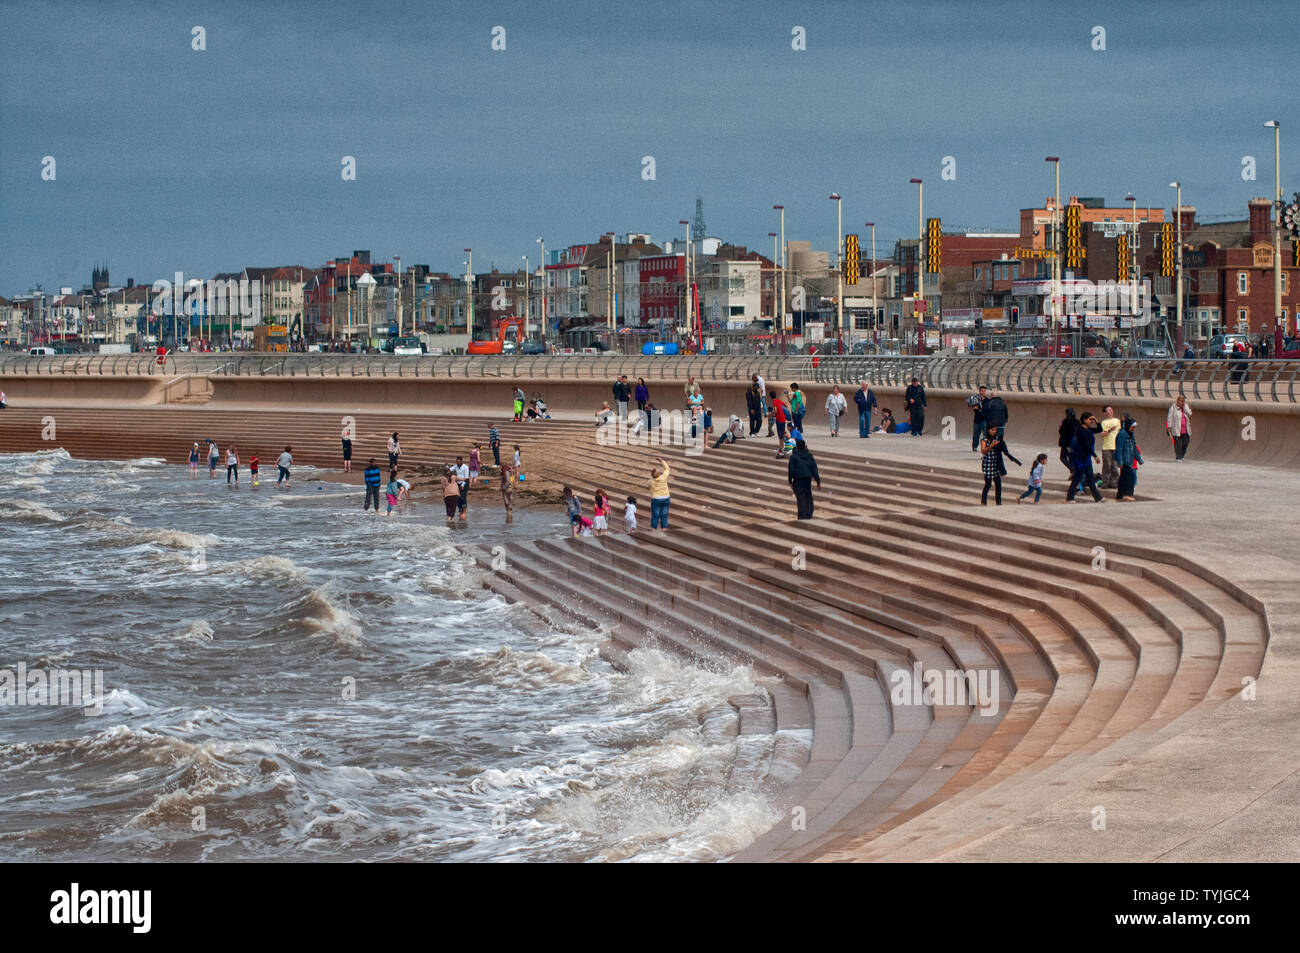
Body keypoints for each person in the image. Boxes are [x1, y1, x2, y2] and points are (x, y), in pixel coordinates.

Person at [1066, 414, 1104, 502]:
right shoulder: (1081, 430)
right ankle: (1070, 497)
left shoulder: (1088, 429)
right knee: (1077, 478)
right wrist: (1094, 455)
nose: (1091, 421)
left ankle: (1098, 498)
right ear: (1084, 420)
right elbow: (1086, 445)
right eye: (1090, 419)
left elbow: (1099, 429)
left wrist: (1096, 420)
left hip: (1086, 458)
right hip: (1081, 459)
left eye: (1092, 420)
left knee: (1090, 478)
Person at [787, 438, 821, 519]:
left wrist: (790, 481)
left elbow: (791, 469)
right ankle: (809, 514)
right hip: (807, 479)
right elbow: (814, 468)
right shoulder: (809, 456)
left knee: (801, 498)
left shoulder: (793, 457)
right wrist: (818, 481)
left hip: (798, 480)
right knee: (808, 496)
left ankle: (802, 516)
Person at [1115, 417, 1144, 501]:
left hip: (1129, 460)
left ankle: (1120, 496)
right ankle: (1128, 494)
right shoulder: (1122, 434)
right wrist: (1120, 462)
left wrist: (1139, 459)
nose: (1133, 429)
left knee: (1123, 479)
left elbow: (1134, 447)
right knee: (1130, 477)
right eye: (1132, 427)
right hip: (1124, 461)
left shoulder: (1131, 434)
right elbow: (1119, 449)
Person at [1097, 405, 1122, 489]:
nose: (1111, 411)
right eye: (1108, 410)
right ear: (1104, 413)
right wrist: (1110, 430)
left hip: (1116, 446)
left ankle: (1114, 482)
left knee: (1115, 466)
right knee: (1107, 465)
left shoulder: (1117, 421)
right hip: (1107, 447)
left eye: (1111, 409)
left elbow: (1119, 432)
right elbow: (1102, 434)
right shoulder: (1104, 422)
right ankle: (1105, 482)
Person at [979, 427, 1003, 505]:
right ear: (988, 430)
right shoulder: (984, 440)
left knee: (998, 485)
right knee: (988, 484)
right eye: (992, 430)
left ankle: (998, 503)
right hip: (988, 464)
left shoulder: (996, 439)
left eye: (995, 430)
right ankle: (983, 502)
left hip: (996, 464)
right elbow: (983, 451)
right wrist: (991, 446)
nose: (994, 431)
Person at [1165, 395, 1192, 461]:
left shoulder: (1186, 407)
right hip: (1176, 429)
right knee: (1178, 444)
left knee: (1186, 442)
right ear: (1177, 401)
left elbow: (1189, 414)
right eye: (1180, 401)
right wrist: (1169, 427)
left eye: (1183, 401)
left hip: (1185, 429)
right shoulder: (1173, 408)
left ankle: (1182, 455)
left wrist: (1185, 407)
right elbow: (1169, 417)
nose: (1181, 403)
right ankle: (1179, 457)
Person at [648, 456, 671, 531]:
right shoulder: (663, 477)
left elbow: (651, 480)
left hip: (656, 499)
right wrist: (662, 461)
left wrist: (652, 474)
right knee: (664, 514)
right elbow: (667, 469)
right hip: (665, 498)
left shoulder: (650, 481)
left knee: (655, 514)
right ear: (659, 474)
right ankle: (664, 528)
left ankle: (653, 528)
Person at [1057, 408, 1079, 483]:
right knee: (1071, 458)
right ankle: (1073, 474)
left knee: (1063, 457)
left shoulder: (1065, 421)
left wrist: (1060, 427)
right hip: (1074, 443)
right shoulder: (1077, 422)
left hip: (1066, 443)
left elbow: (1061, 431)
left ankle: (1073, 470)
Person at [969, 386, 988, 450]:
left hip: (985, 420)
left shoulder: (987, 400)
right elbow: (971, 406)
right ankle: (974, 447)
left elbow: (987, 409)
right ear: (979, 391)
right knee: (976, 435)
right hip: (977, 420)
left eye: (984, 391)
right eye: (982, 391)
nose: (983, 392)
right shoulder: (975, 399)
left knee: (986, 434)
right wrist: (974, 407)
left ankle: (985, 446)